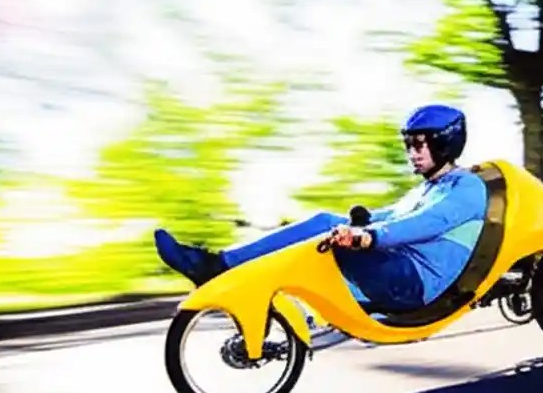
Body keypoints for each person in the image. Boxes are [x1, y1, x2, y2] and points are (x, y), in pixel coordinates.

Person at [153, 103, 488, 311]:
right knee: (326, 221)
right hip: (396, 269)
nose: (412, 152)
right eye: (408, 145)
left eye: (418, 144)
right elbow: (395, 215)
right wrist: (362, 222)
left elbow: (426, 223)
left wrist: (368, 237)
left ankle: (216, 267)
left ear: (444, 142)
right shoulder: (428, 187)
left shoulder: (467, 187)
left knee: (327, 234)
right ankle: (224, 267)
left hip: (412, 284)